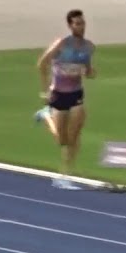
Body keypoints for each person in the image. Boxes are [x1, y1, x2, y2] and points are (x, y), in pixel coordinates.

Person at [33, 10, 96, 190]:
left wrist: (90, 72)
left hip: (76, 94)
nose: (81, 26)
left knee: (74, 137)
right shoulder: (61, 44)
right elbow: (42, 64)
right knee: (62, 140)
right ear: (70, 26)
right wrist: (44, 91)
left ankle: (66, 174)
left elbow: (88, 70)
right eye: (77, 23)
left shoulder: (89, 47)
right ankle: (46, 115)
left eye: (82, 23)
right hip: (58, 95)